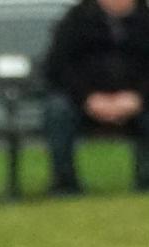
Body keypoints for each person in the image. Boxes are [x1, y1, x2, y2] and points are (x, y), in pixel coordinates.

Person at [43, 0, 149, 195]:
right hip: (83, 101)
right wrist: (88, 98)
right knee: (58, 111)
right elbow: (58, 66)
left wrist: (138, 97)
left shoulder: (145, 21)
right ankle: (65, 184)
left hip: (136, 101)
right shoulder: (76, 20)